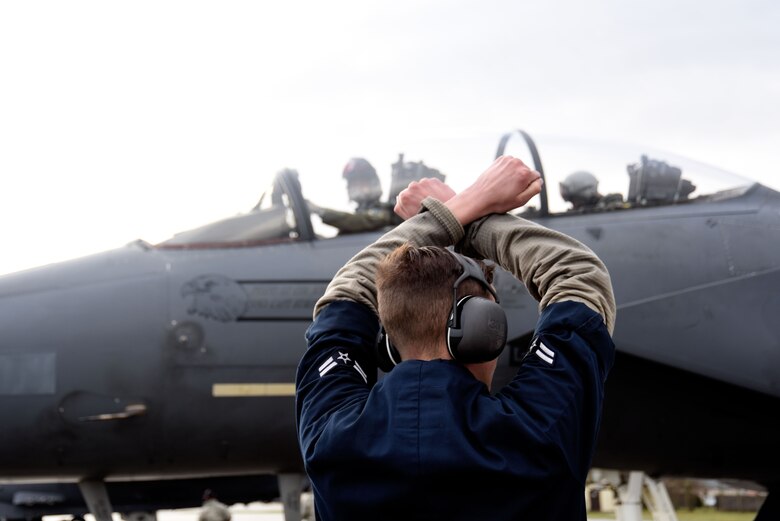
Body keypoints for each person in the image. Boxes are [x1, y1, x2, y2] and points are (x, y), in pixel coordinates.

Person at [296, 156, 616, 520]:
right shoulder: (538, 430)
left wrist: (454, 211)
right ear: (482, 329)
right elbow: (579, 273)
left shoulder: (328, 436)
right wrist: (475, 219)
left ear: (388, 341)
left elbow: (346, 295)